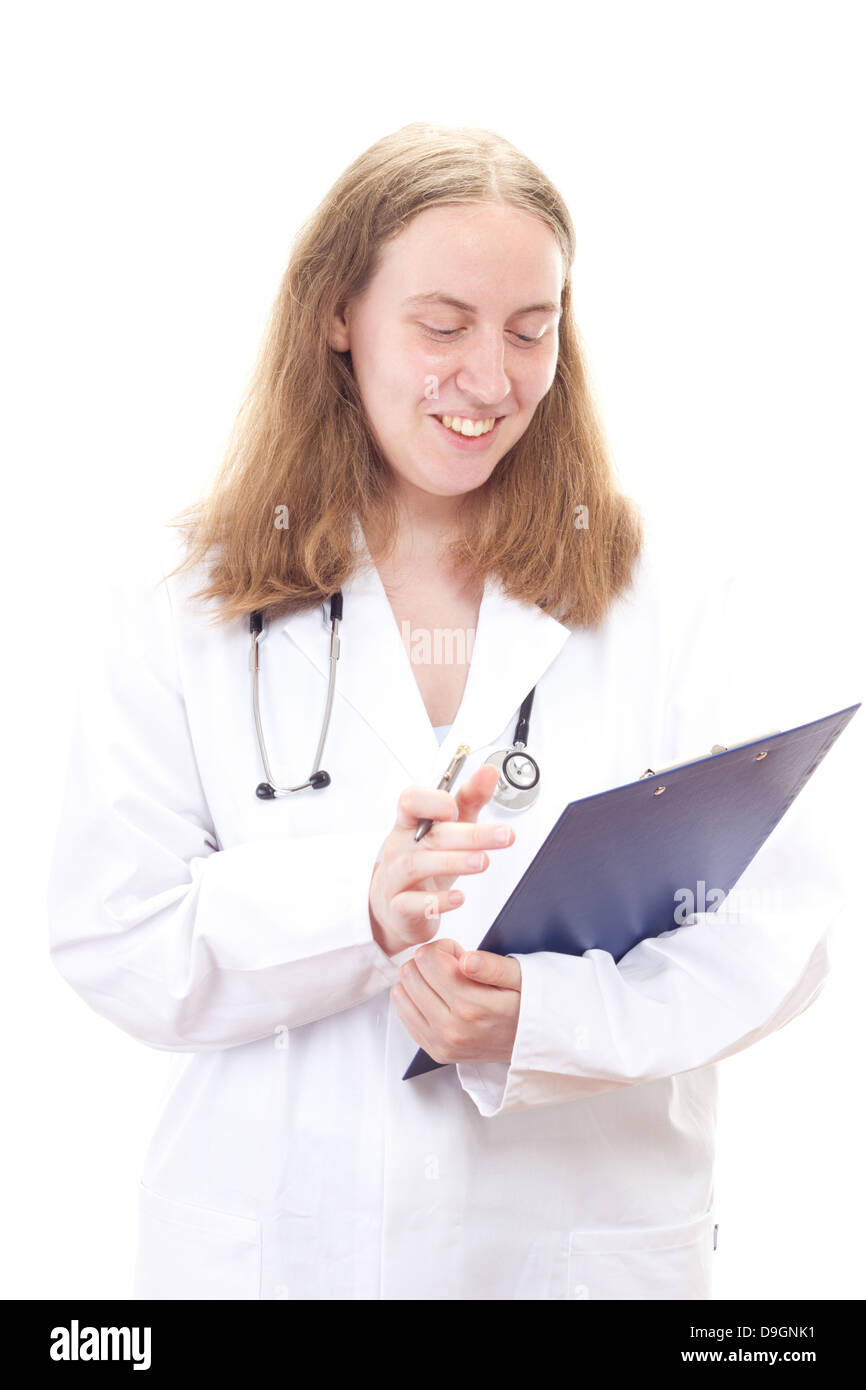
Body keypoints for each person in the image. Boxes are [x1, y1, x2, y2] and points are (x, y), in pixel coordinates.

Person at [46, 122, 842, 1301]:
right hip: (273, 1254)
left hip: (573, 1255)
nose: (490, 379)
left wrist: (546, 1018)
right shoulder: (186, 597)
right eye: (441, 325)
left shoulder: (670, 591)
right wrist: (352, 907)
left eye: (532, 331)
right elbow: (112, 933)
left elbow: (781, 926)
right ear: (337, 314)